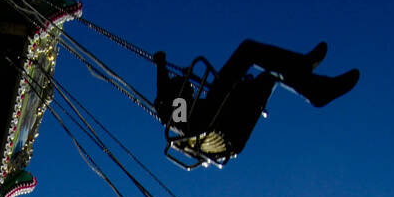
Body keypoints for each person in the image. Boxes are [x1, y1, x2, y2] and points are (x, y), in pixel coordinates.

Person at [153, 40, 358, 155]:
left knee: (268, 77)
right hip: (217, 122)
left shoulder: (185, 109)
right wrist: (161, 65)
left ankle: (314, 89)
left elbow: (175, 103)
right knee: (247, 51)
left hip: (226, 125)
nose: (190, 86)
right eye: (185, 85)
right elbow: (167, 98)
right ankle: (307, 76)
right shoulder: (175, 110)